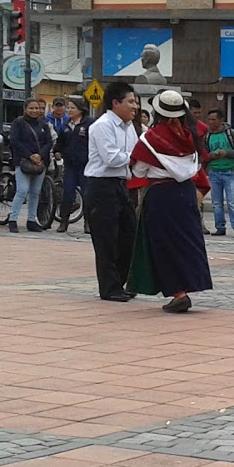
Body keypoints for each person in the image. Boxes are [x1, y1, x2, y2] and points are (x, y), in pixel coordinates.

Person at [127, 89, 212, 313]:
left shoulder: (151, 137)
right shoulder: (192, 134)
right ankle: (190, 284)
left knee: (164, 243)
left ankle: (178, 293)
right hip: (186, 192)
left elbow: (138, 169)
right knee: (187, 241)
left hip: (161, 194)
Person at [85, 82, 140, 302]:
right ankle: (109, 288)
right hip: (101, 186)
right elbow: (111, 158)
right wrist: (134, 158)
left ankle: (121, 281)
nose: (134, 107)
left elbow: (135, 154)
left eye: (135, 102)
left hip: (120, 185)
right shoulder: (103, 125)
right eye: (130, 102)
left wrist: (134, 158)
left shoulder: (129, 128)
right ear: (115, 103)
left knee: (130, 236)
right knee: (106, 239)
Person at [6, 97, 54, 233]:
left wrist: (40, 155)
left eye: (37, 108)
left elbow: (48, 142)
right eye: (31, 108)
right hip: (23, 161)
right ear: (25, 109)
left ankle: (31, 220)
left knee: (35, 192)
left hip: (40, 162)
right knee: (22, 190)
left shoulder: (43, 124)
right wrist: (29, 155)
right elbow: (14, 141)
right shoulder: (18, 123)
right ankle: (13, 219)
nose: (35, 110)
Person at [201, 109, 234, 238]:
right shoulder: (207, 136)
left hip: (230, 171)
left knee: (232, 201)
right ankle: (220, 226)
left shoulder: (231, 134)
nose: (210, 122)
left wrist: (227, 153)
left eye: (213, 119)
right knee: (216, 202)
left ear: (220, 120)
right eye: (209, 119)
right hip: (214, 172)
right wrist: (211, 156)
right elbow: (204, 155)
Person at [52, 101, 90, 233]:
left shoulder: (89, 123)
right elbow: (60, 142)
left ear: (81, 109)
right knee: (67, 193)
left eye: (73, 108)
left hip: (86, 165)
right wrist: (57, 151)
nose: (69, 110)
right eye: (69, 108)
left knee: (87, 194)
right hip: (70, 165)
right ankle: (64, 222)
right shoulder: (65, 125)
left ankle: (88, 223)